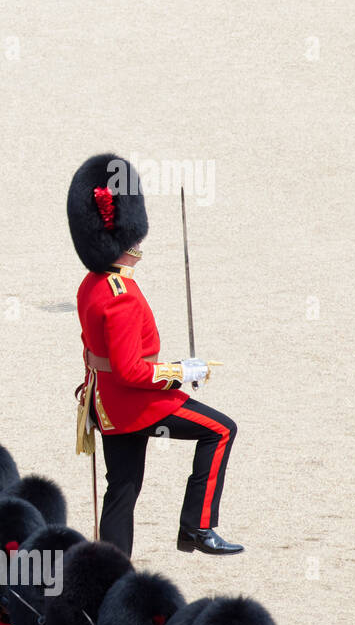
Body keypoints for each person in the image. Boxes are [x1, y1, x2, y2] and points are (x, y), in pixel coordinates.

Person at [68, 153, 242, 557]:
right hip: (136, 404)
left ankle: (111, 574)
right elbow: (131, 371)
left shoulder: (91, 286)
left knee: (123, 489)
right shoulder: (121, 296)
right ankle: (197, 527)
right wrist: (180, 371)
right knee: (220, 430)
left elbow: (94, 349)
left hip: (107, 404)